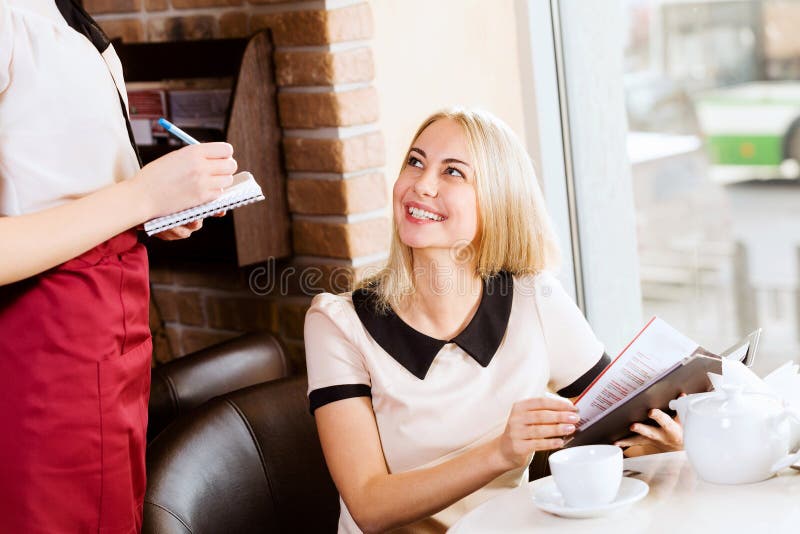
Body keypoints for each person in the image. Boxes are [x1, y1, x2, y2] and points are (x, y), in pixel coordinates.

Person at [303, 107, 682, 533]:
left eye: (453, 173)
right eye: (415, 161)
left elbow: (618, 423)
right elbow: (368, 505)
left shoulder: (534, 299)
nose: (421, 185)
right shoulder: (337, 323)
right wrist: (500, 452)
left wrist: (661, 444)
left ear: (497, 202)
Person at [0, 1, 236, 532]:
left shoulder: (60, 11)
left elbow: (55, 188)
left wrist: (153, 206)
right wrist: (139, 196)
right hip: (44, 364)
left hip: (109, 349)